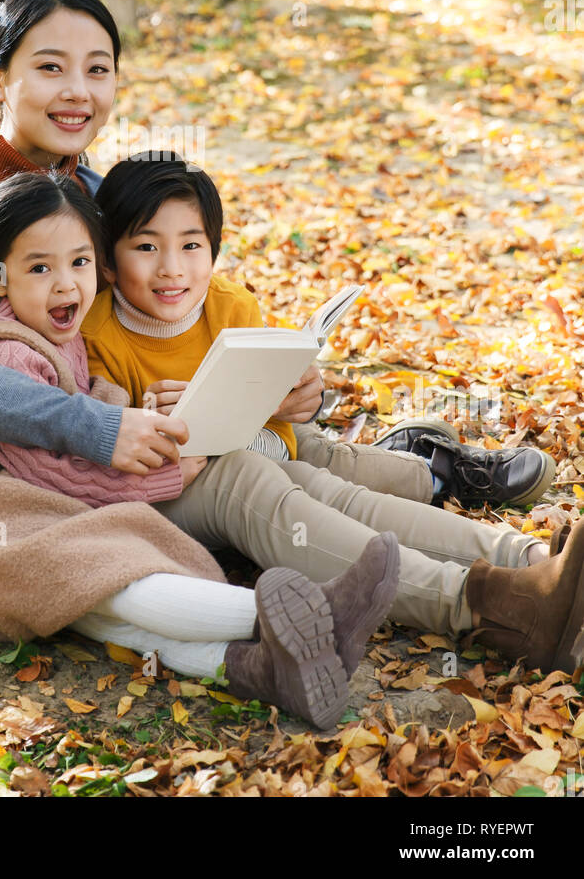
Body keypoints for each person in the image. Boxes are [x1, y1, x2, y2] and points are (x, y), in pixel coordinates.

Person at [0, 167, 402, 727]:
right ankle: (316, 616)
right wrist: (165, 478)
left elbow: (85, 402)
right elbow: (53, 471)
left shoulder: (63, 333)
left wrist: (140, 412)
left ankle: (257, 670)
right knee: (113, 574)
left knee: (106, 610)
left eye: (79, 263)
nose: (64, 285)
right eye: (38, 268)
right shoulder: (7, 354)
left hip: (23, 496)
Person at [80, 151, 584, 674]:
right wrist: (144, 421)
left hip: (254, 460)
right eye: (145, 247)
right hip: (165, 494)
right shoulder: (96, 336)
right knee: (252, 479)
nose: (172, 268)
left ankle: (530, 560)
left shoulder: (229, 306)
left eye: (191, 246)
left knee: (328, 490)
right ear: (110, 263)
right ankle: (487, 605)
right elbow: (101, 447)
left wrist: (293, 402)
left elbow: (280, 436)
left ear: (214, 250)